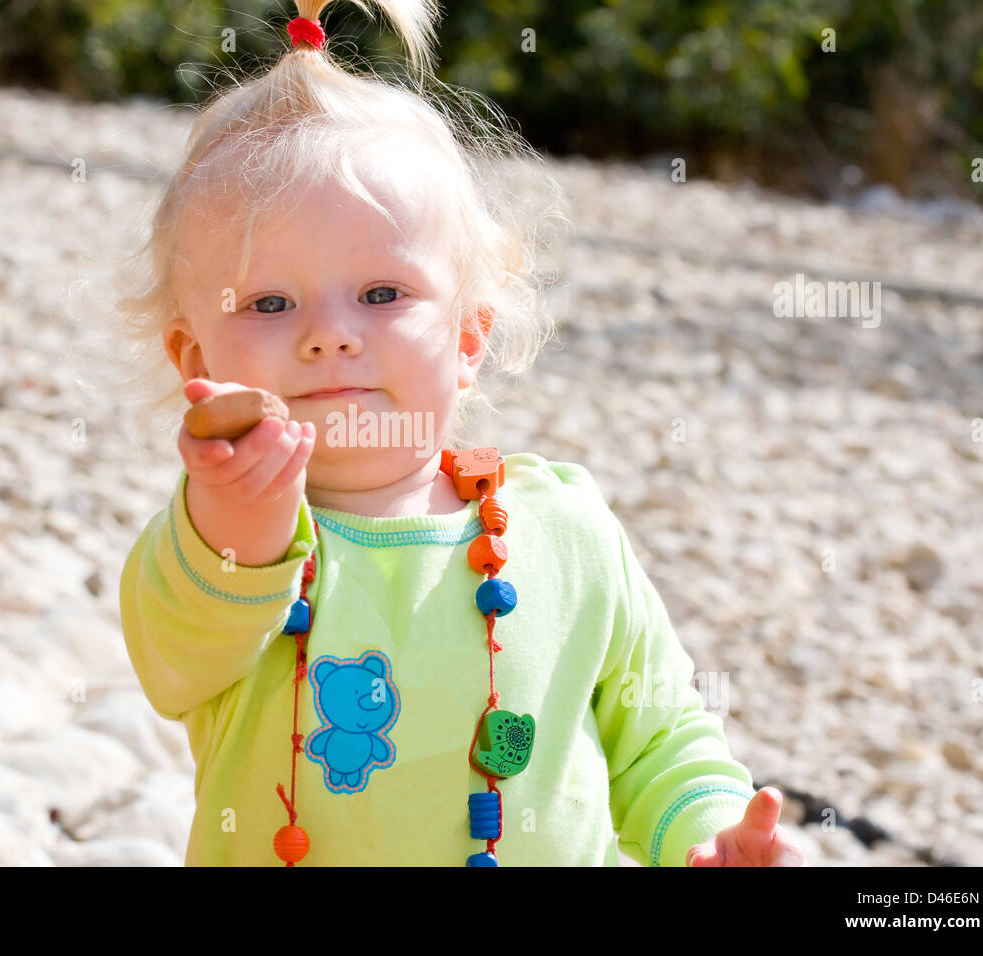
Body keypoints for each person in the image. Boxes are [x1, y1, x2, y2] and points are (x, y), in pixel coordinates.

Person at [116, 0, 804, 867]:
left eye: (381, 294)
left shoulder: (563, 529)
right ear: (194, 358)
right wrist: (238, 527)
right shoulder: (225, 553)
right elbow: (175, 657)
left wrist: (711, 834)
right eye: (269, 302)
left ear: (469, 338)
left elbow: (658, 732)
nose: (330, 334)